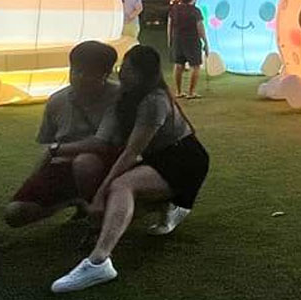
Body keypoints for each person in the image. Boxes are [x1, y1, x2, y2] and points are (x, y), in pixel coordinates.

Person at [51, 45, 210, 293]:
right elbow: (108, 141)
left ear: (140, 74)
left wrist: (101, 193)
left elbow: (131, 152)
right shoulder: (126, 96)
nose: (120, 72)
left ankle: (99, 261)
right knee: (124, 193)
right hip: (160, 157)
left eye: (126, 69)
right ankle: (168, 206)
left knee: (121, 185)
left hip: (184, 159)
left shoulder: (153, 101)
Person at [5, 41, 120, 228]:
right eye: (76, 71)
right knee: (15, 212)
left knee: (85, 162)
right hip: (63, 166)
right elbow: (47, 145)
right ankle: (74, 200)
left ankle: (99, 215)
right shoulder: (57, 101)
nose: (80, 78)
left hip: (105, 166)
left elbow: (102, 144)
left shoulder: (119, 97)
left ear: (105, 74)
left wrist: (57, 149)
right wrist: (34, 178)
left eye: (89, 73)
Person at [167, 0, 207, 99]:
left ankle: (178, 91)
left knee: (178, 65)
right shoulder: (195, 11)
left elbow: (169, 26)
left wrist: (170, 40)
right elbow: (200, 28)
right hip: (192, 41)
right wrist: (205, 42)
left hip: (178, 40)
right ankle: (191, 92)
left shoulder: (174, 9)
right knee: (195, 66)